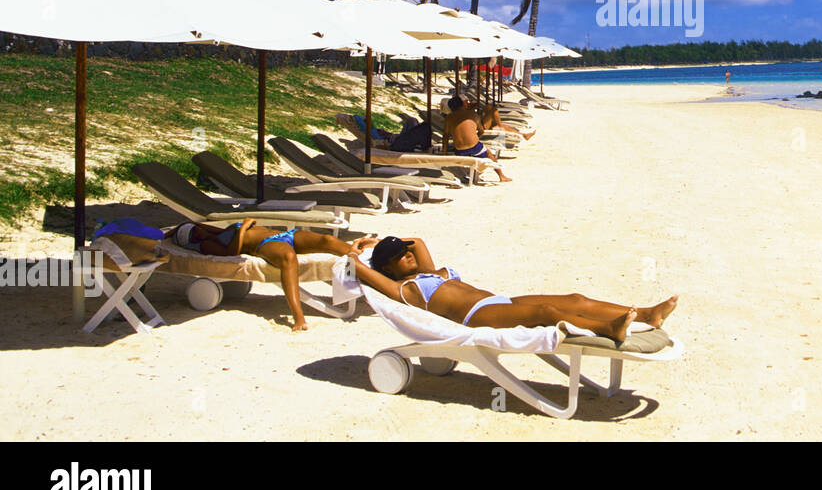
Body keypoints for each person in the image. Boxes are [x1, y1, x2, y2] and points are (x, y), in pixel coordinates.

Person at [349, 237, 678, 342]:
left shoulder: (431, 271)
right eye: (398, 257)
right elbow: (361, 268)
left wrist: (377, 241)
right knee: (546, 314)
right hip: (477, 317)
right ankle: (608, 329)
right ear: (388, 268)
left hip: (498, 301)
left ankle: (648, 314)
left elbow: (417, 241)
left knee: (574, 299)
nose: (407, 255)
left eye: (406, 253)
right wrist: (358, 252)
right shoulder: (404, 289)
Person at [167, 219, 369, 332]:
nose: (199, 232)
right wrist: (245, 227)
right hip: (264, 246)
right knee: (289, 259)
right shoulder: (209, 245)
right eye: (194, 235)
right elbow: (232, 252)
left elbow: (195, 223)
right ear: (191, 242)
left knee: (327, 240)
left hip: (284, 235)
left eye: (197, 230)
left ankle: (366, 261)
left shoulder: (214, 231)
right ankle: (297, 314)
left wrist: (176, 229)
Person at [442, 96, 511, 182]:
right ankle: (501, 176)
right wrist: (474, 137)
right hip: (474, 147)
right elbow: (481, 131)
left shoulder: (449, 118)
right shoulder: (473, 115)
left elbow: (445, 136)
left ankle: (475, 176)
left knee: (468, 156)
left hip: (459, 150)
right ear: (463, 105)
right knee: (489, 154)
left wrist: (444, 153)